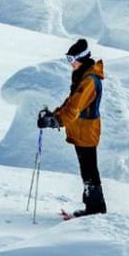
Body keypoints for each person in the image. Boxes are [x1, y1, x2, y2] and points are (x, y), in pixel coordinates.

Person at [47, 37, 106, 217]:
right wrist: (55, 115)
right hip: (82, 129)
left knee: (89, 169)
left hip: (86, 130)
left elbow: (75, 107)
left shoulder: (89, 80)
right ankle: (93, 206)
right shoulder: (82, 76)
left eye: (71, 60)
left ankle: (95, 208)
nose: (70, 64)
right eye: (68, 59)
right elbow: (70, 101)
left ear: (81, 58)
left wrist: (57, 121)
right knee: (87, 169)